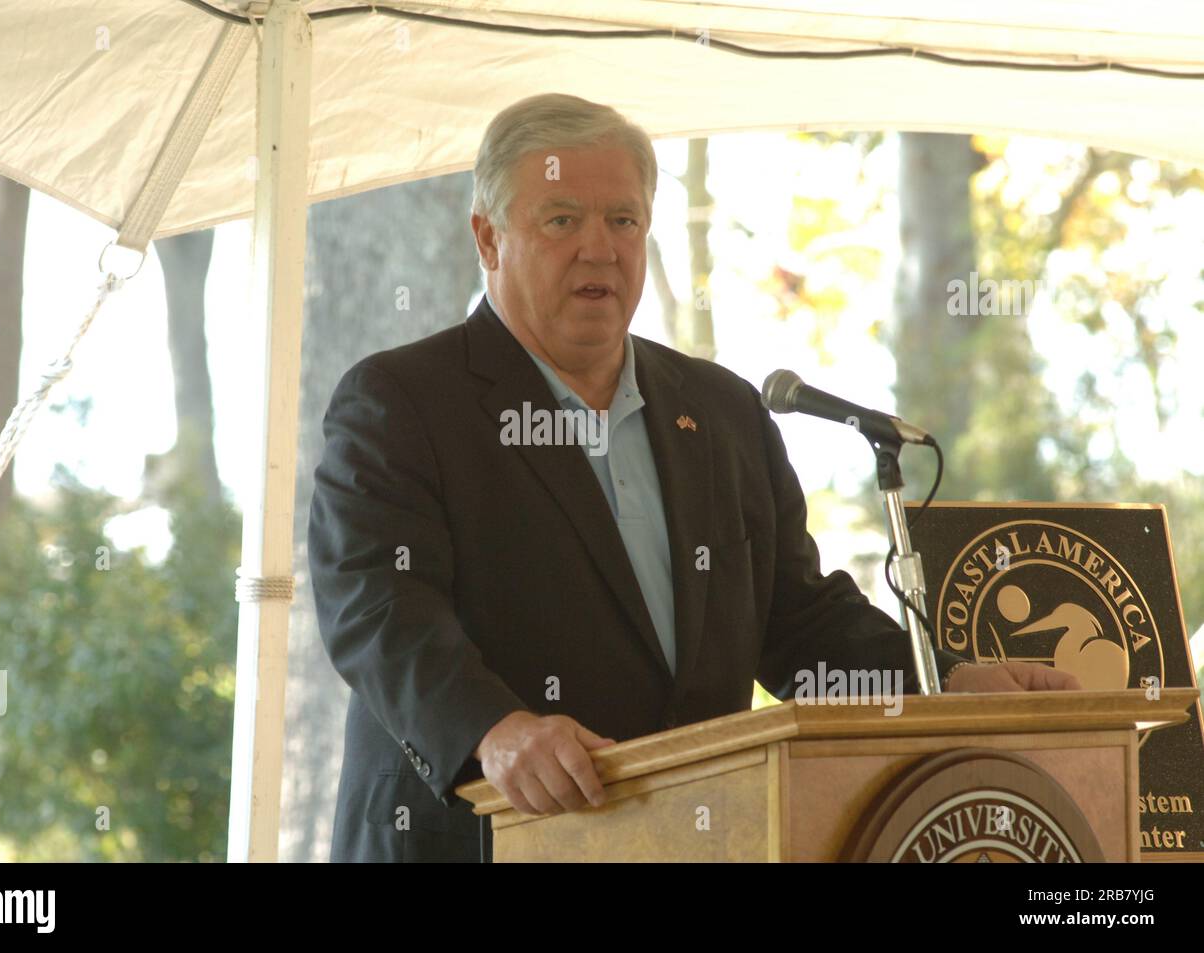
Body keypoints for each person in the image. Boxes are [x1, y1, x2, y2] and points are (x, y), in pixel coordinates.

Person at [307, 92, 1079, 863]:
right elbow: (380, 609)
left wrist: (944, 687)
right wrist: (494, 729)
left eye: (623, 220)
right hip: (476, 840)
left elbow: (799, 625)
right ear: (488, 237)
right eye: (561, 219)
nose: (599, 249)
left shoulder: (721, 411)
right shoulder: (403, 402)